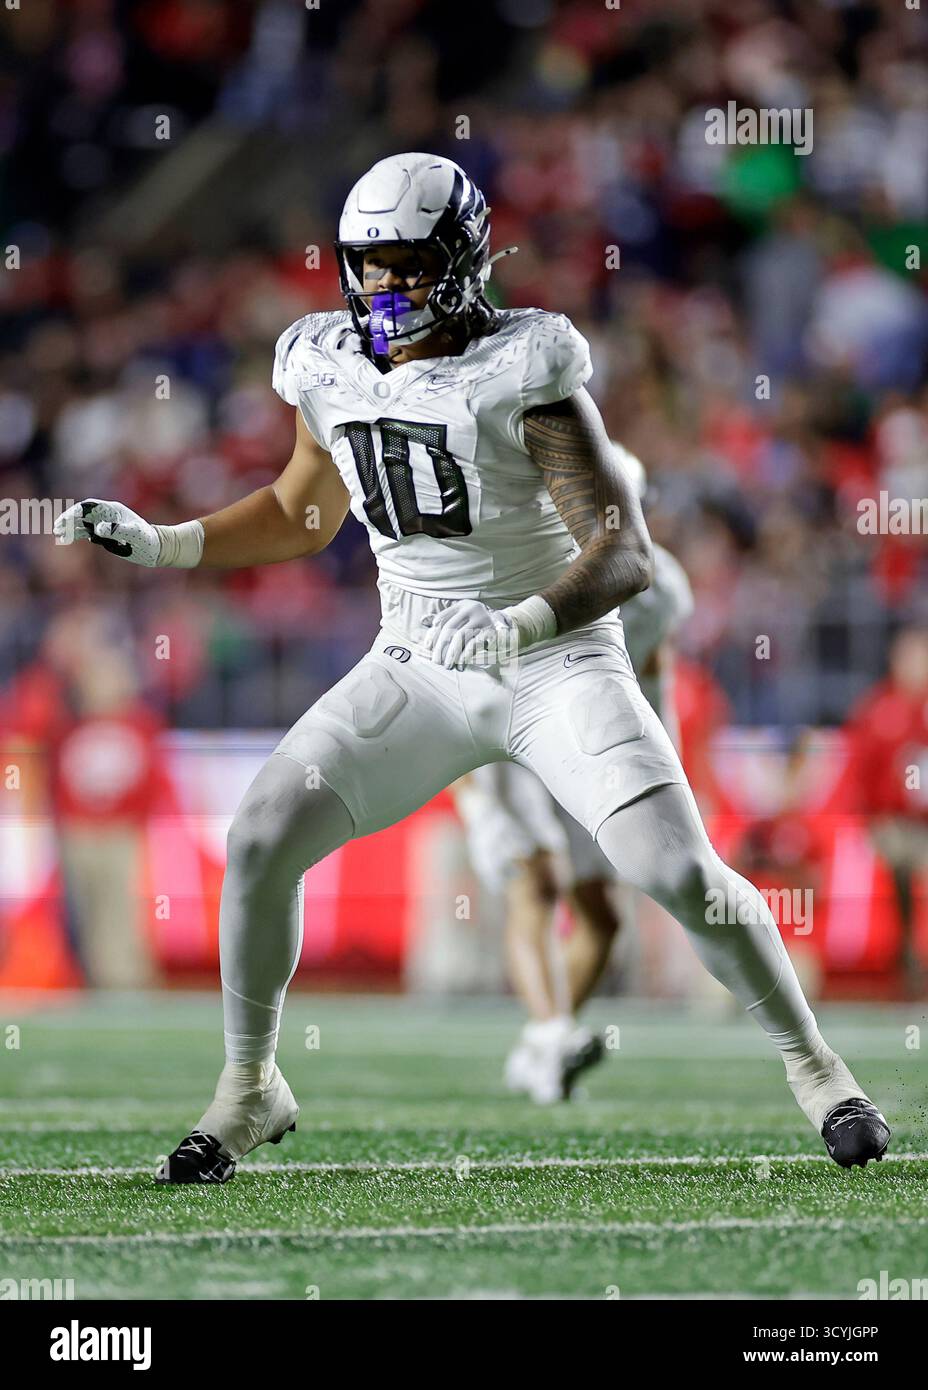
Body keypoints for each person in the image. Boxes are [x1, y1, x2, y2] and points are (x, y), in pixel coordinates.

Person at [54, 153, 889, 1180]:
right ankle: (250, 1085)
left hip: (555, 661)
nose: (385, 288)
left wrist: (521, 623)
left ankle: (819, 1073)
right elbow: (300, 513)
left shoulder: (523, 365)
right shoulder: (327, 364)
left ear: (461, 261)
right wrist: (167, 543)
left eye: (408, 264)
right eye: (370, 265)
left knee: (673, 868)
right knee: (264, 833)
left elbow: (619, 548)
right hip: (415, 660)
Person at [453, 445, 694, 1103]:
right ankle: (555, 1032)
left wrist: (658, 786)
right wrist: (466, 775)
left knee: (603, 916)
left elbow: (651, 687)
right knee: (538, 880)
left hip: (578, 739)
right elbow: (447, 670)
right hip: (495, 733)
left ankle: (542, 1044)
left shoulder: (657, 589)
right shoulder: (508, 560)